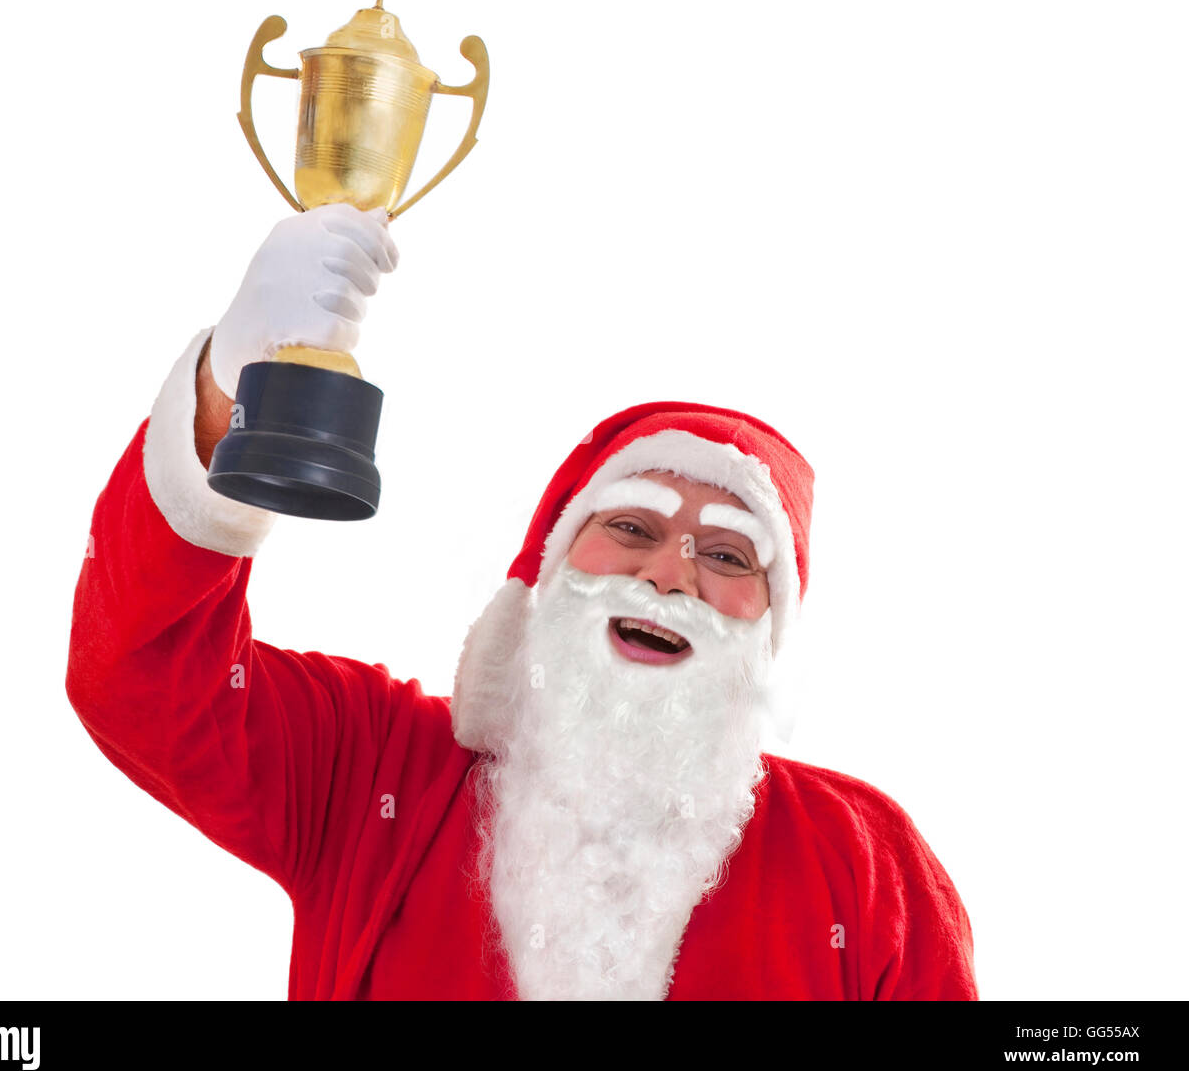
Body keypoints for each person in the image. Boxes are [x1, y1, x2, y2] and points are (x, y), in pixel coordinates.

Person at [66, 204, 978, 1000]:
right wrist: (235, 385)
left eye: (728, 553)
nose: (668, 574)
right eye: (631, 528)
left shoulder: (866, 866)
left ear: (767, 625)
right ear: (546, 576)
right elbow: (142, 677)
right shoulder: (376, 774)